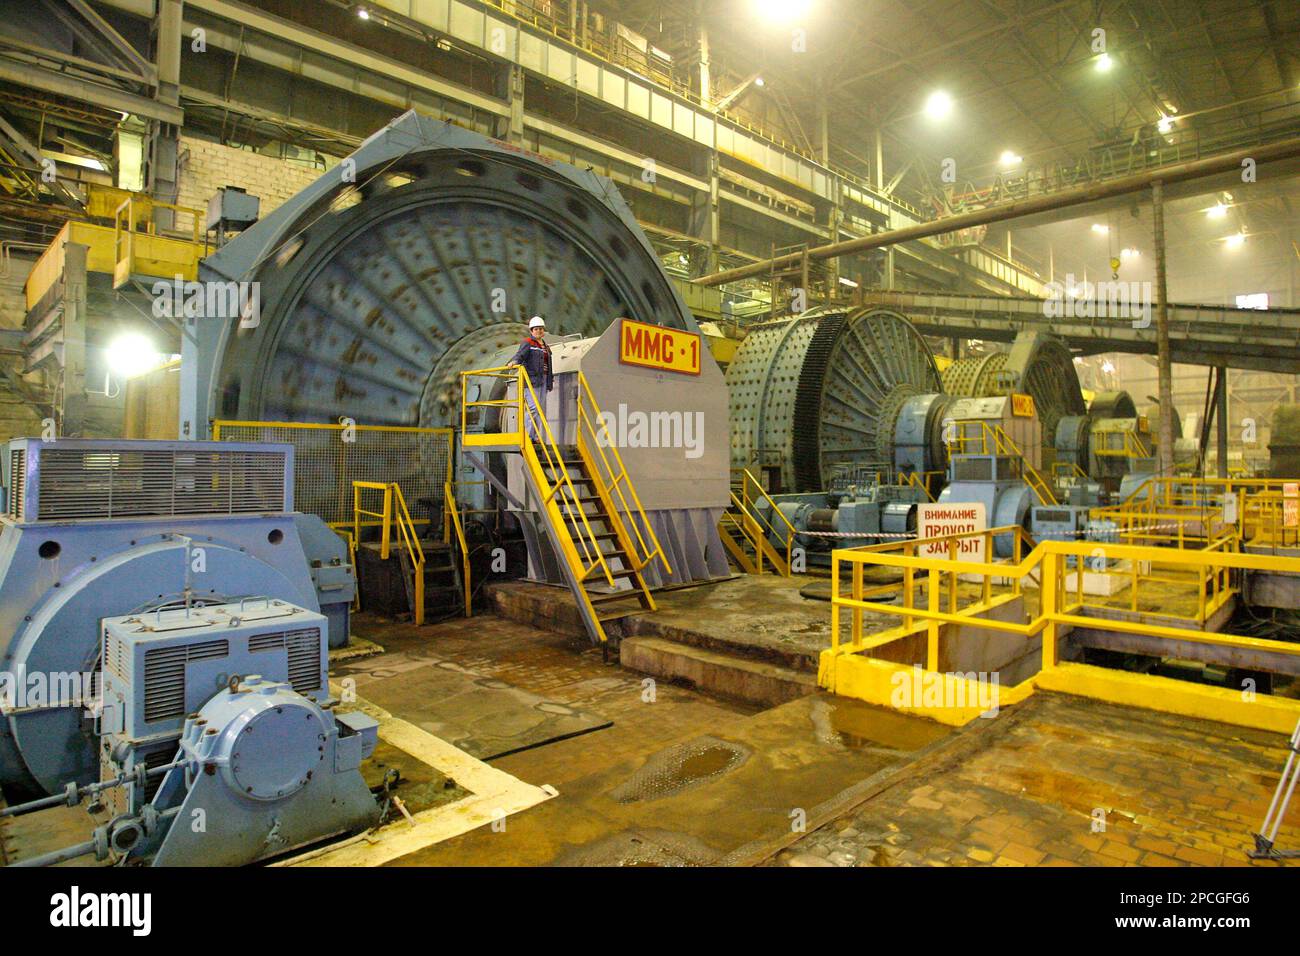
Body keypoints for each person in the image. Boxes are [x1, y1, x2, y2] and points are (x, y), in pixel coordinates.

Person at [507, 316, 553, 439]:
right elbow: (520, 355)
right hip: (532, 381)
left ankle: (535, 437)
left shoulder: (545, 346)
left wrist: (549, 382)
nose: (539, 331)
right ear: (532, 331)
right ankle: (528, 436)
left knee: (539, 409)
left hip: (543, 379)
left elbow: (548, 365)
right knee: (533, 408)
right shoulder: (528, 343)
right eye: (536, 329)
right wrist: (513, 362)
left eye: (541, 329)